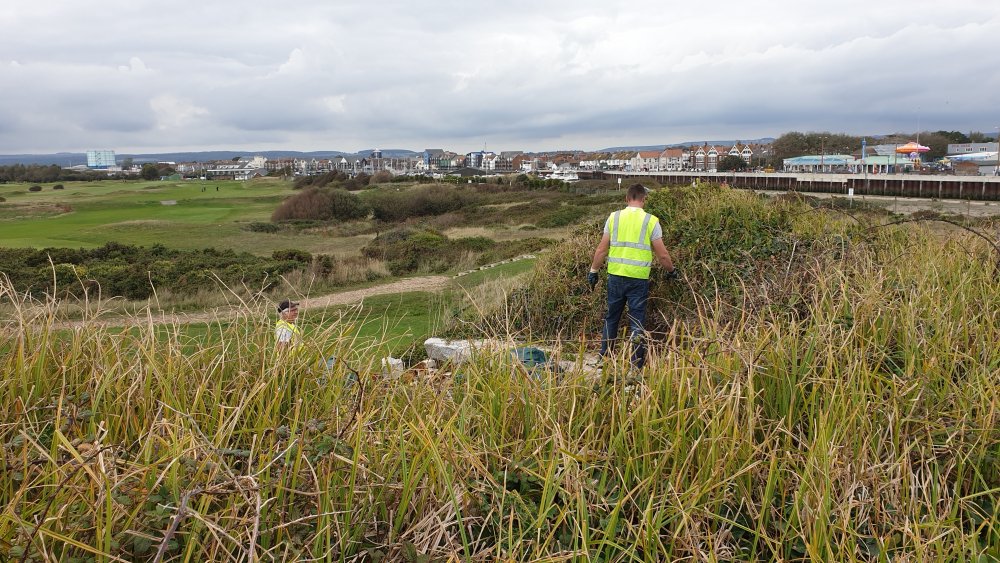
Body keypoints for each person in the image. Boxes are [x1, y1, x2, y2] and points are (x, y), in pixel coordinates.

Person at [588, 184, 677, 371]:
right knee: (637, 322)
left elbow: (602, 249)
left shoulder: (614, 217)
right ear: (644, 199)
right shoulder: (651, 221)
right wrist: (671, 271)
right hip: (638, 279)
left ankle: (605, 359)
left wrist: (593, 271)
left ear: (626, 199)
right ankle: (636, 365)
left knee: (611, 318)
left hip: (615, 276)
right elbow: (662, 255)